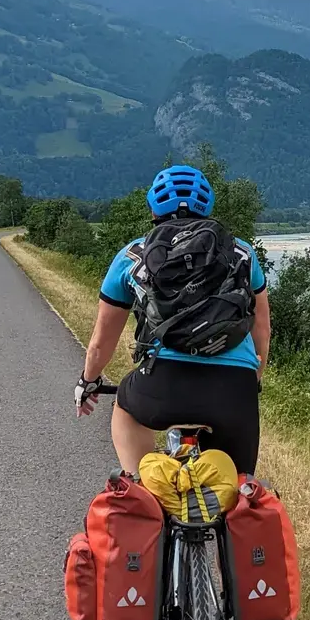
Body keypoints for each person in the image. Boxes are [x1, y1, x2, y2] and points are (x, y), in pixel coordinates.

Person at [75, 165, 270, 475]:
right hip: (234, 390)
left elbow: (101, 344)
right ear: (208, 206)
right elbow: (261, 328)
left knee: (125, 408)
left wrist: (88, 381)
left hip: (161, 386)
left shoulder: (132, 256)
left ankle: (141, 492)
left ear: (153, 207)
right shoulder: (243, 252)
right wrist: (254, 377)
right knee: (240, 494)